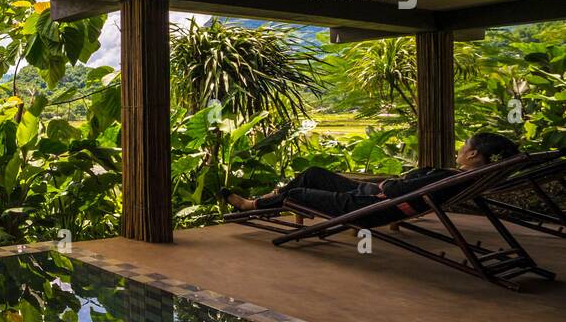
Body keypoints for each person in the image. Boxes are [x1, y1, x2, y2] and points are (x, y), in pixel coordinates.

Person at [222, 132, 521, 222]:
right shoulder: (465, 177)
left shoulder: (447, 176)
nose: (459, 147)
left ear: (472, 155)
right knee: (313, 172)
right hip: (371, 194)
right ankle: (259, 203)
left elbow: (395, 188)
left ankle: (253, 206)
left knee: (295, 195)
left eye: (464, 146)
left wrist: (384, 183)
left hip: (366, 205)